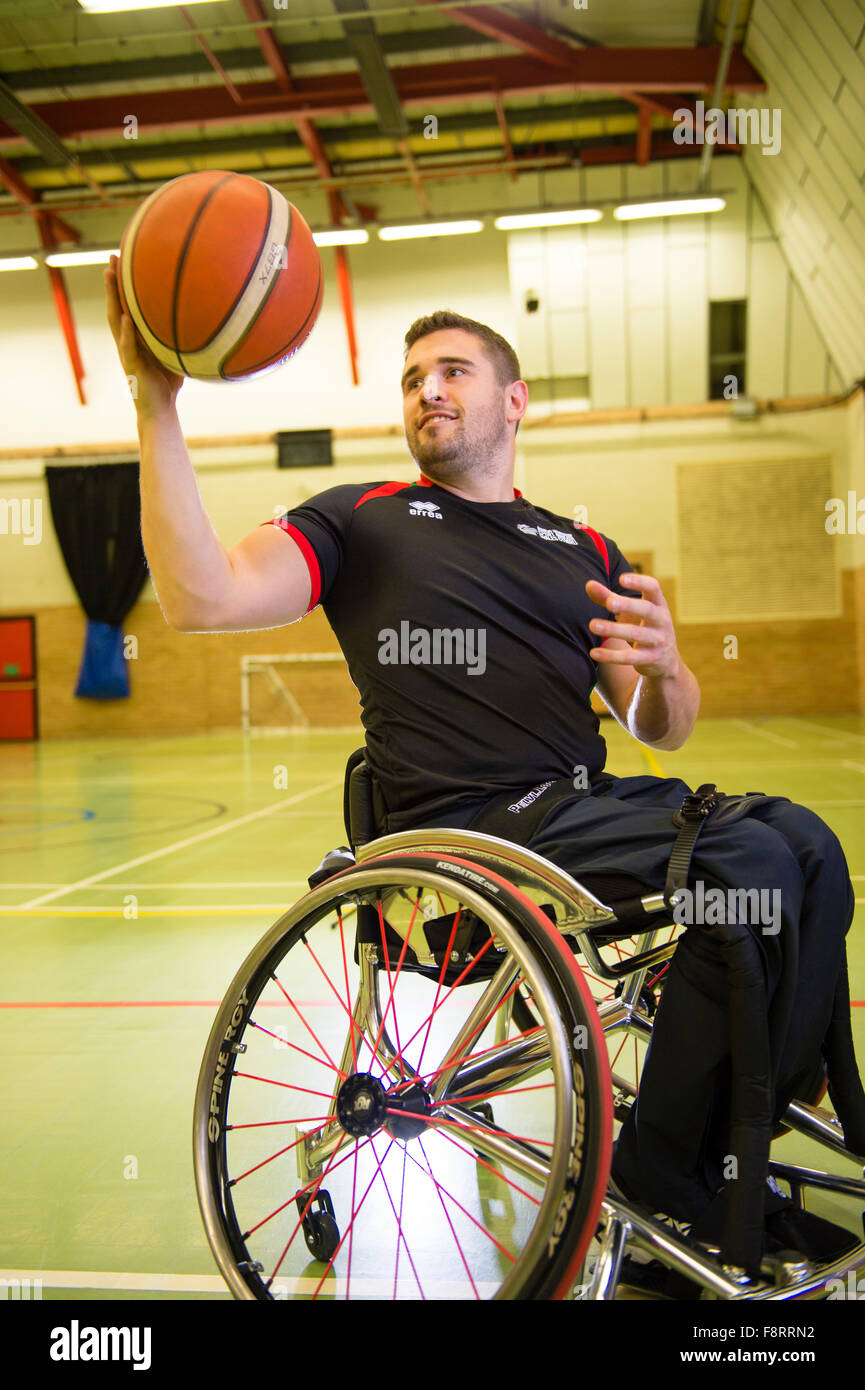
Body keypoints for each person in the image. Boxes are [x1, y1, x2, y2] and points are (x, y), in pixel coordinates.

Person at [105, 269, 860, 1273]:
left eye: (452, 371)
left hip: (581, 810)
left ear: (514, 401)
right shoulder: (360, 520)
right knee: (749, 873)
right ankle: (662, 1172)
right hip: (471, 831)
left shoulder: (580, 544)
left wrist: (671, 668)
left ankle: (728, 1133)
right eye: (413, 377)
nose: (427, 391)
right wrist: (155, 400)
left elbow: (657, 724)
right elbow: (201, 595)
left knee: (807, 846)